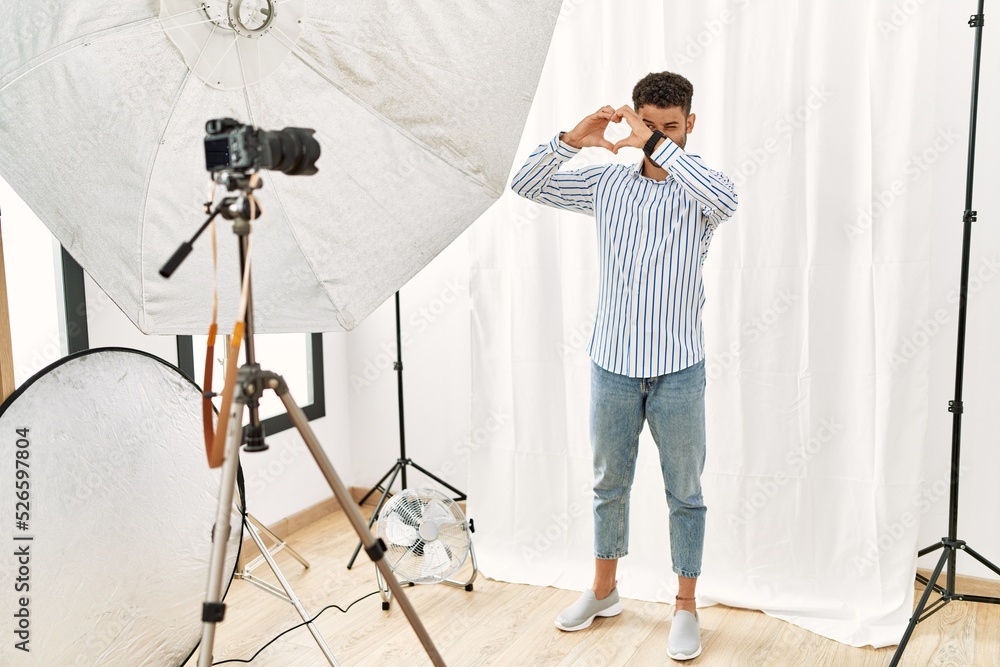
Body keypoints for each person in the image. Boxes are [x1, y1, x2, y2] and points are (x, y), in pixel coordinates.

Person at [510, 71, 737, 661]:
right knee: (608, 485)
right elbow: (526, 183)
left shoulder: (700, 188)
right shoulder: (608, 184)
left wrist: (655, 143)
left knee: (685, 492)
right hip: (611, 363)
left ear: (689, 125)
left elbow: (728, 201)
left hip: (678, 369)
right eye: (647, 124)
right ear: (633, 118)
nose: (655, 136)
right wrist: (572, 139)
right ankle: (604, 591)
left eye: (669, 127)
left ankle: (684, 606)